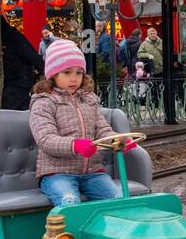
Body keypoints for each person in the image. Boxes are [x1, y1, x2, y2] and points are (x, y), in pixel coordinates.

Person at [30, 40, 132, 206]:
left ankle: (110, 230)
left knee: (118, 201)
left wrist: (118, 140)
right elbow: (46, 139)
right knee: (69, 202)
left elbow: (102, 130)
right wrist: (75, 145)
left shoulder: (88, 99)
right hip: (57, 173)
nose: (74, 78)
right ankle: (68, 233)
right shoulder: (44, 102)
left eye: (79, 73)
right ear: (53, 75)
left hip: (93, 172)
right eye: (67, 72)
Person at [0, 16, 44, 110]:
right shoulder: (9, 37)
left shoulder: (13, 37)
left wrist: (37, 81)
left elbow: (36, 59)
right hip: (12, 82)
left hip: (18, 83)